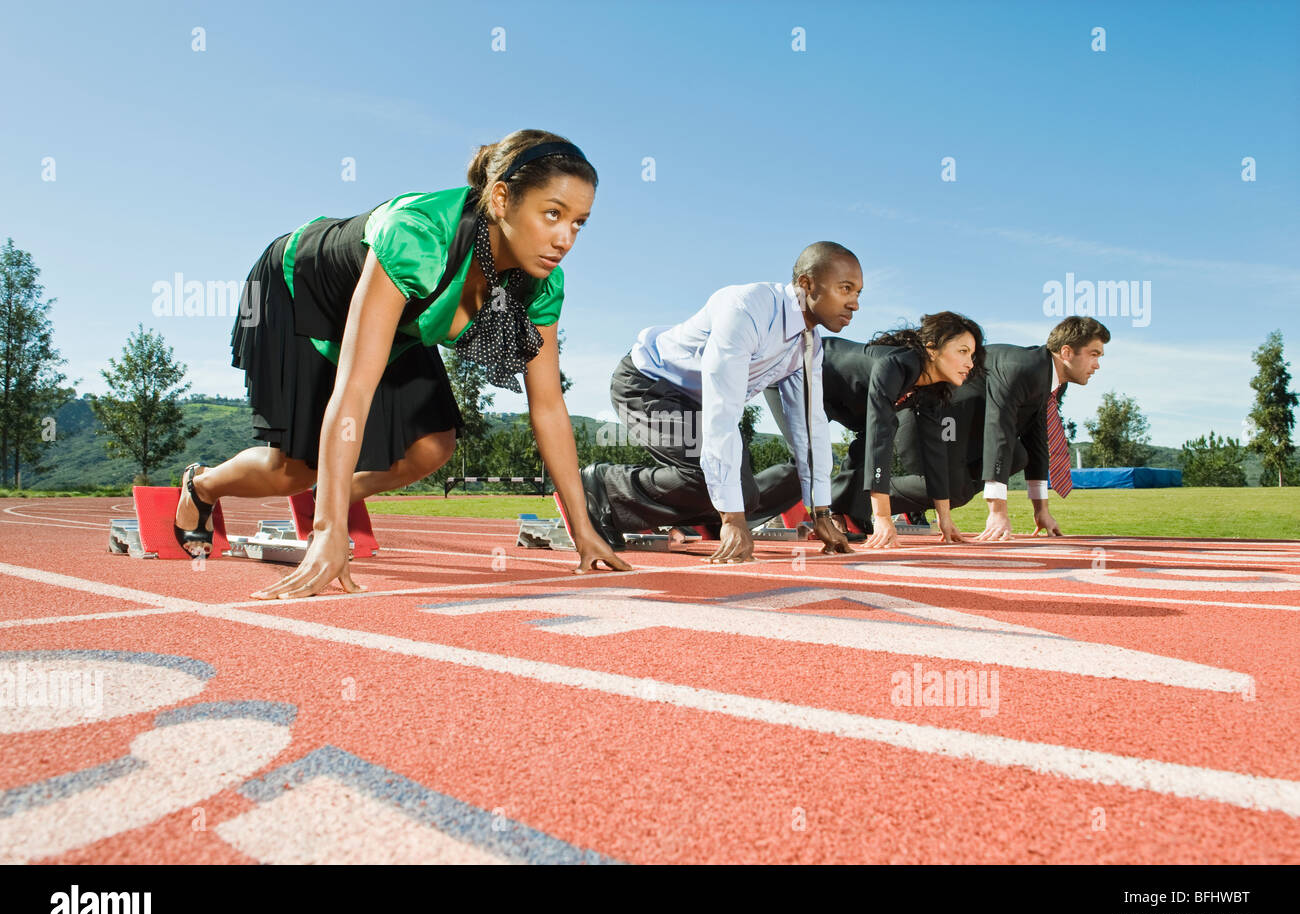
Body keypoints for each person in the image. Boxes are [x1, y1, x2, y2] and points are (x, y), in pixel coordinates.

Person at [173, 129, 631, 597]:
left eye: (579, 222)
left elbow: (550, 407)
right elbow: (354, 389)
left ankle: (327, 490)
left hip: (399, 320)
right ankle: (203, 486)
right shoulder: (418, 237)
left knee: (431, 447)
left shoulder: (541, 285)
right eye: (552, 214)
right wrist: (331, 531)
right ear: (500, 199)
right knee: (294, 468)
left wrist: (584, 531)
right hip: (304, 291)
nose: (565, 238)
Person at [577, 242, 861, 564]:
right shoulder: (748, 309)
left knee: (746, 496)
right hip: (648, 383)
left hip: (696, 402)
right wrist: (732, 519)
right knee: (715, 485)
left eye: (858, 293)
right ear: (807, 284)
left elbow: (810, 427)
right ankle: (603, 485)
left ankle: (686, 511)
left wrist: (821, 510)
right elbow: (722, 413)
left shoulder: (809, 346)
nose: (854, 304)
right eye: (845, 288)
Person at [756, 312, 984, 549]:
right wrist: (883, 517)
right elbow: (880, 435)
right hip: (796, 371)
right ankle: (731, 510)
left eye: (973, 354)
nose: (970, 362)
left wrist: (945, 518)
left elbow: (934, 452)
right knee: (811, 458)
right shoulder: (895, 365)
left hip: (839, 398)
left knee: (872, 438)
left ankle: (841, 512)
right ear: (932, 349)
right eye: (962, 351)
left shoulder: (929, 390)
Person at [967, 315, 1109, 540]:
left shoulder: (1053, 383)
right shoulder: (1023, 369)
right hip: (936, 427)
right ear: (1066, 353)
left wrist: (1041, 510)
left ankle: (924, 503)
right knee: (952, 488)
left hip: (970, 435)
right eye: (1094, 354)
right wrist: (997, 512)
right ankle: (906, 504)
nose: (1097, 365)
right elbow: (999, 429)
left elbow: (1037, 439)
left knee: (1019, 455)